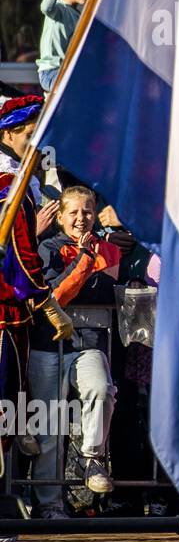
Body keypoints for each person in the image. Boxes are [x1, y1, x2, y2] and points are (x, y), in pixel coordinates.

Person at [27, 186, 120, 516]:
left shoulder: (107, 250)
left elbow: (105, 290)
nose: (82, 218)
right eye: (74, 212)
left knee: (101, 387)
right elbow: (56, 296)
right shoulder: (46, 247)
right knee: (49, 427)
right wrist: (83, 261)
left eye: (88, 212)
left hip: (89, 343)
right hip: (46, 345)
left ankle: (93, 459)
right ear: (60, 217)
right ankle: (49, 505)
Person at [0, 95, 73, 466]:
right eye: (29, 134)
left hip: (11, 309)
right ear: (8, 135)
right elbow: (19, 246)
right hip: (3, 312)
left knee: (11, 406)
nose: (36, 142)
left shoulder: (23, 179)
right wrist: (46, 300)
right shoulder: (7, 182)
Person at [36, 0, 90, 92]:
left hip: (66, 71)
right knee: (74, 87)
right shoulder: (58, 9)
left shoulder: (78, 16)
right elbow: (45, 7)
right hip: (51, 72)